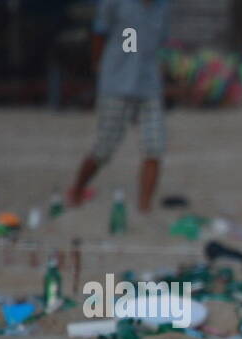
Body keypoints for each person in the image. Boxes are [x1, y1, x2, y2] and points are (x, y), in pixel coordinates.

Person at [67, 0, 171, 213]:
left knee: (154, 147)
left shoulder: (164, 5)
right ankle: (77, 189)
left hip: (149, 85)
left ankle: (145, 208)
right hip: (116, 84)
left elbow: (160, 43)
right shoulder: (114, 3)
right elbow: (99, 33)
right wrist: (98, 69)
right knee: (104, 148)